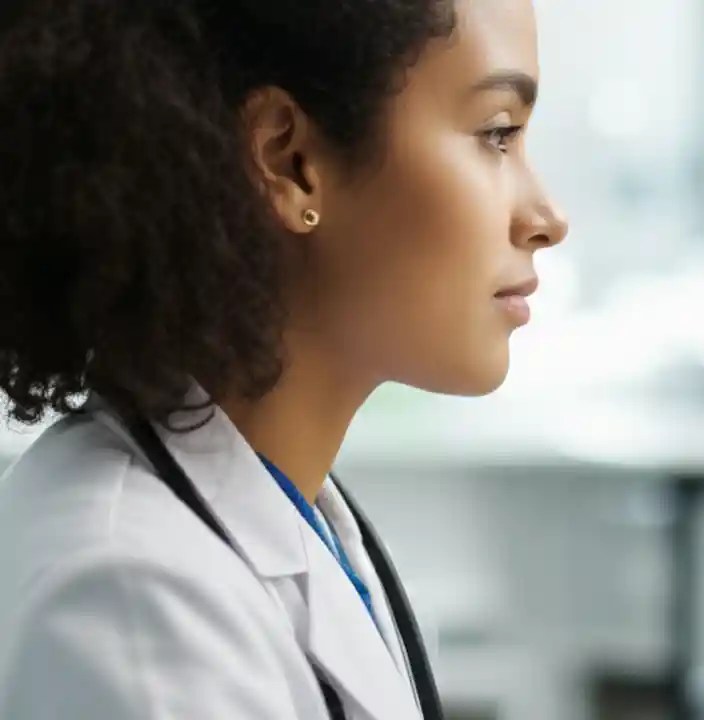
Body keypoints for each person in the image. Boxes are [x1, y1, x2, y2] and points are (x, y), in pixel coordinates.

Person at [0, 0, 568, 717]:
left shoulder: (294, 511)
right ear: (289, 160)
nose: (547, 218)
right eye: (497, 133)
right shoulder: (137, 606)